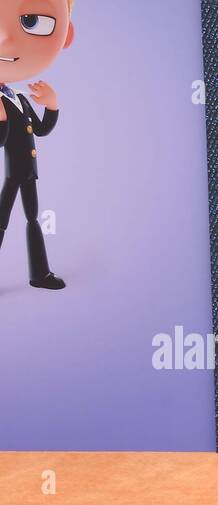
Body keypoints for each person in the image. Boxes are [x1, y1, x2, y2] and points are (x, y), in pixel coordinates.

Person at [0, 0, 74, 289]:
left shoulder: (19, 97)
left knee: (32, 219)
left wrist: (52, 106)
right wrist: (2, 121)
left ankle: (39, 274)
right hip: (13, 174)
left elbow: (41, 130)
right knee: (2, 223)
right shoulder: (4, 102)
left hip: (28, 173)